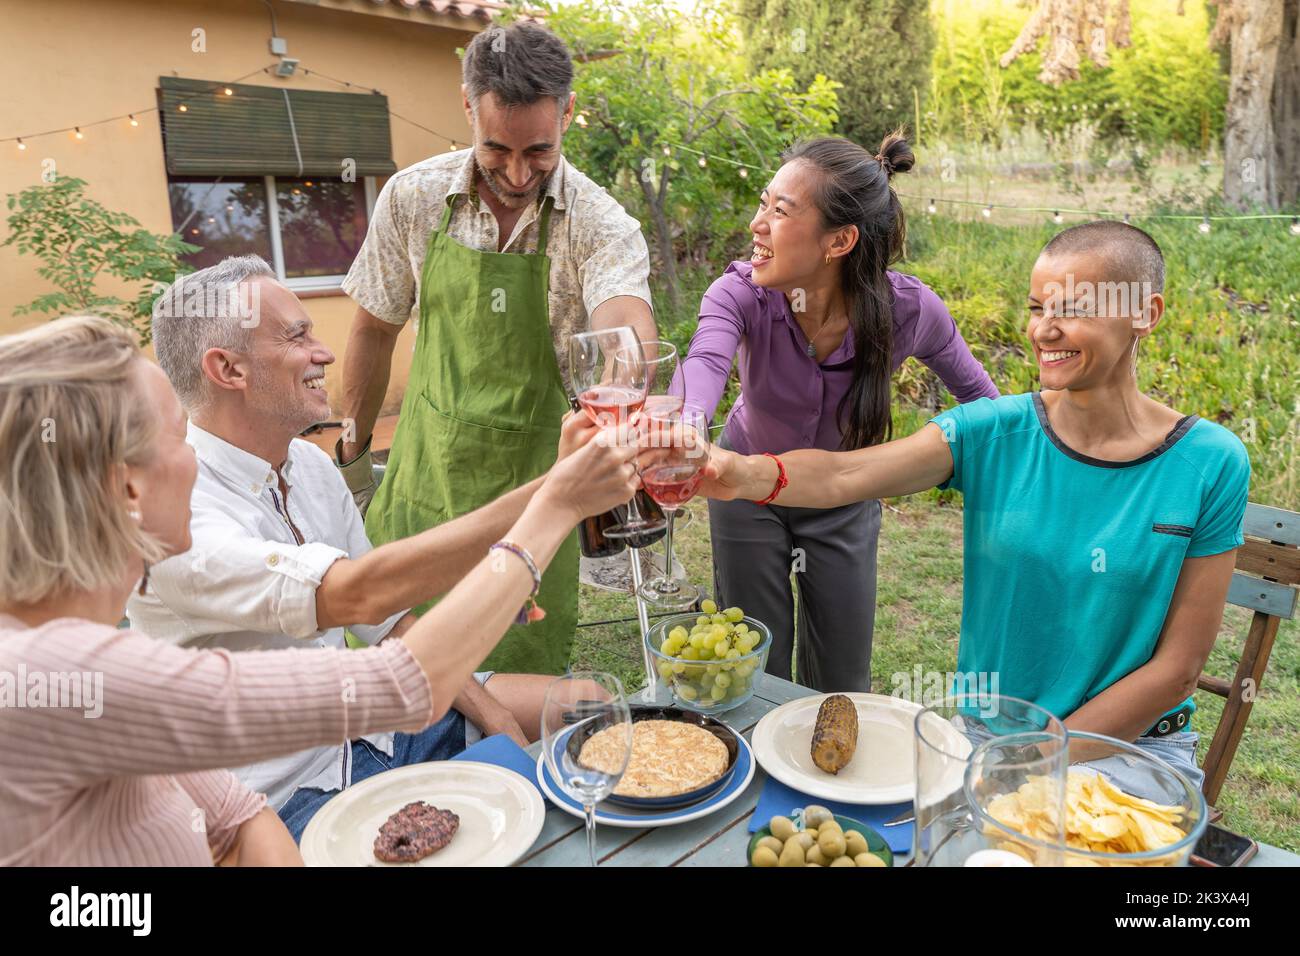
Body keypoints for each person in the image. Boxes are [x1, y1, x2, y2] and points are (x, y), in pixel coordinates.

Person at [0, 314, 637, 865]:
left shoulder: (73, 660)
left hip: (366, 740)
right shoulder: (69, 678)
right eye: (175, 436)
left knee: (583, 719)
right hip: (318, 777)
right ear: (129, 490)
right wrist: (554, 507)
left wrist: (560, 489)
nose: (193, 452)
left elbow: (235, 816)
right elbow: (398, 682)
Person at [698, 221, 1250, 787]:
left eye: (1075, 308)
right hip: (989, 739)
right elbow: (847, 473)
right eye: (1037, 307)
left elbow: (1178, 671)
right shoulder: (992, 432)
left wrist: (1030, 767)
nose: (1046, 329)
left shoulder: (1209, 461)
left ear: (1145, 313)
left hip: (1131, 753)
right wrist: (738, 471)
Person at [130, 257, 594, 838]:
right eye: (298, 336)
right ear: (229, 369)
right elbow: (358, 593)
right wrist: (557, 493)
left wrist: (496, 718)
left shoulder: (307, 464)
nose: (324, 353)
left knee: (586, 702)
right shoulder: (175, 508)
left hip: (376, 727)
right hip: (280, 798)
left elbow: (385, 618)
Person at [336, 21, 656, 676]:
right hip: (423, 485)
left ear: (567, 113)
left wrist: (626, 377)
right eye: (496, 148)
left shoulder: (600, 225)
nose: (515, 172)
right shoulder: (413, 199)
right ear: (466, 105)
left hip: (533, 497)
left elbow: (624, 322)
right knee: (391, 693)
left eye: (538, 151)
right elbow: (373, 329)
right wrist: (351, 455)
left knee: (512, 703)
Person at [677, 134, 997, 692]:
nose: (757, 223)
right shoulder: (739, 293)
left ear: (839, 240)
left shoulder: (909, 310)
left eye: (779, 211)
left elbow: (983, 401)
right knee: (753, 669)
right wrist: (683, 430)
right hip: (746, 487)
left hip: (844, 498)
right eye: (762, 202)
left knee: (842, 682)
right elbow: (704, 359)